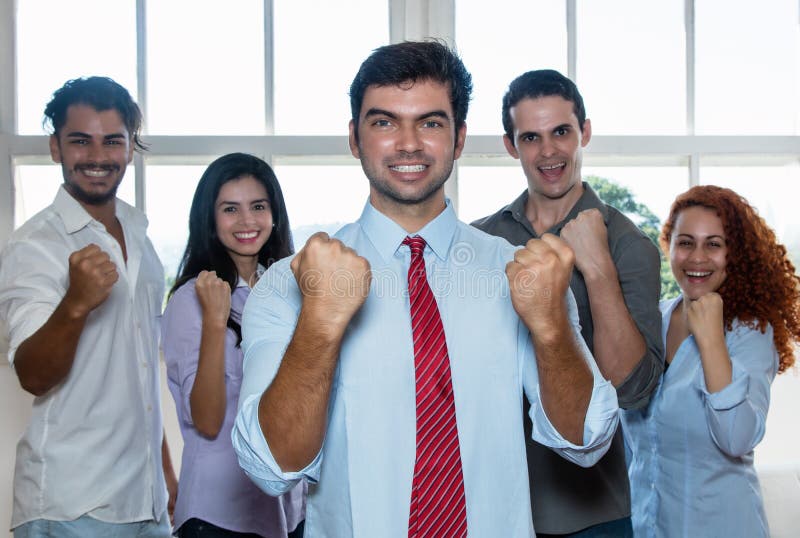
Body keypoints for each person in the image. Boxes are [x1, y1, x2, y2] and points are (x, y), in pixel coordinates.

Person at [231, 40, 619, 537]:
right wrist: (320, 325)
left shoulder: (519, 272)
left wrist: (551, 330)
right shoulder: (290, 283)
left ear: (458, 139)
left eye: (431, 123)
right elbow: (270, 469)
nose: (408, 143)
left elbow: (584, 441)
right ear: (355, 137)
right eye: (384, 122)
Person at [472, 69, 662, 537]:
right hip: (492, 503)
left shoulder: (628, 244)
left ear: (585, 133)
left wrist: (597, 268)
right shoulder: (479, 242)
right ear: (511, 146)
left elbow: (633, 391)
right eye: (530, 137)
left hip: (589, 513)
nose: (549, 151)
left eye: (562, 131)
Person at [0, 76, 177, 536]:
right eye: (80, 141)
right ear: (56, 148)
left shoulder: (140, 236)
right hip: (70, 507)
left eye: (112, 141)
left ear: (130, 148)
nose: (98, 157)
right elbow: (33, 374)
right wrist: (74, 304)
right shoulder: (35, 246)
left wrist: (165, 474)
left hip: (146, 501)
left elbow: (138, 374)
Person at [621, 185, 800, 537]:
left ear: (735, 255)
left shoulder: (749, 332)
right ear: (668, 245)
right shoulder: (649, 323)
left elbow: (737, 438)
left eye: (714, 244)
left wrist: (712, 341)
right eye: (685, 242)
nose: (697, 257)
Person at [162, 153, 305, 537]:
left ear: (274, 213)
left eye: (258, 206)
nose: (247, 221)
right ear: (210, 219)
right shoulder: (190, 300)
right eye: (230, 209)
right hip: (217, 517)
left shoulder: (287, 291)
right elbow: (207, 421)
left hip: (290, 508)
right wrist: (214, 320)